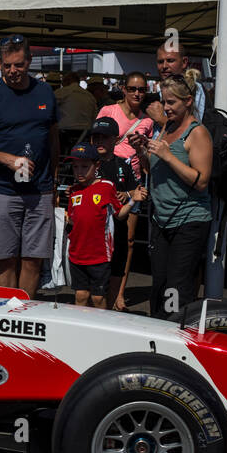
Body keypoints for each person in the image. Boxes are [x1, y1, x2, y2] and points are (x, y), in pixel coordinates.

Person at [0, 35, 60, 297]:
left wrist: (53, 181)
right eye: (6, 66)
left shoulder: (44, 91)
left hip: (39, 190)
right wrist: (8, 159)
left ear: (29, 61)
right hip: (3, 189)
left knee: (33, 259)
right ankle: (7, 315)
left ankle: (24, 313)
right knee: (4, 258)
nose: (12, 71)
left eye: (18, 65)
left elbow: (53, 138)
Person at [126, 73, 213, 316]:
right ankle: (159, 329)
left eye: (171, 102)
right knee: (160, 284)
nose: (166, 107)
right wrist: (142, 151)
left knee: (177, 286)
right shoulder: (167, 127)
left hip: (189, 219)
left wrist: (168, 155)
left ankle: (175, 333)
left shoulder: (197, 133)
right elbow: (152, 168)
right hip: (162, 219)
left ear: (187, 101)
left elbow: (201, 180)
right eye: (164, 102)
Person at [64, 141, 147, 308]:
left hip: (100, 256)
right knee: (80, 296)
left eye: (84, 166)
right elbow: (72, 219)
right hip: (77, 254)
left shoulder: (107, 187)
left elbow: (120, 215)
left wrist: (132, 201)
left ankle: (99, 331)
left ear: (97, 165)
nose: (79, 171)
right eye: (75, 167)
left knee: (98, 299)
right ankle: (80, 332)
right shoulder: (73, 190)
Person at [84, 117, 142, 311]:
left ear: (116, 140)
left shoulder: (124, 165)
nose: (99, 141)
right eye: (96, 137)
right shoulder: (85, 164)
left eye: (105, 137)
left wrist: (126, 194)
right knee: (88, 291)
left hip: (117, 230)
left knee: (116, 271)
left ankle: (111, 310)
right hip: (91, 236)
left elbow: (137, 191)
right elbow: (75, 188)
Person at [97, 71, 155, 182]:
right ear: (124, 89)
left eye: (141, 90)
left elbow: (148, 161)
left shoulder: (148, 120)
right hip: (107, 174)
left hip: (133, 179)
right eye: (132, 89)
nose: (137, 94)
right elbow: (93, 143)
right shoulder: (108, 111)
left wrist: (140, 148)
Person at [55, 71, 98, 144]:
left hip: (64, 133)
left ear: (67, 81)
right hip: (85, 134)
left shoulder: (62, 92)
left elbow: (49, 107)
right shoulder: (90, 96)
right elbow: (94, 116)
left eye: (63, 82)